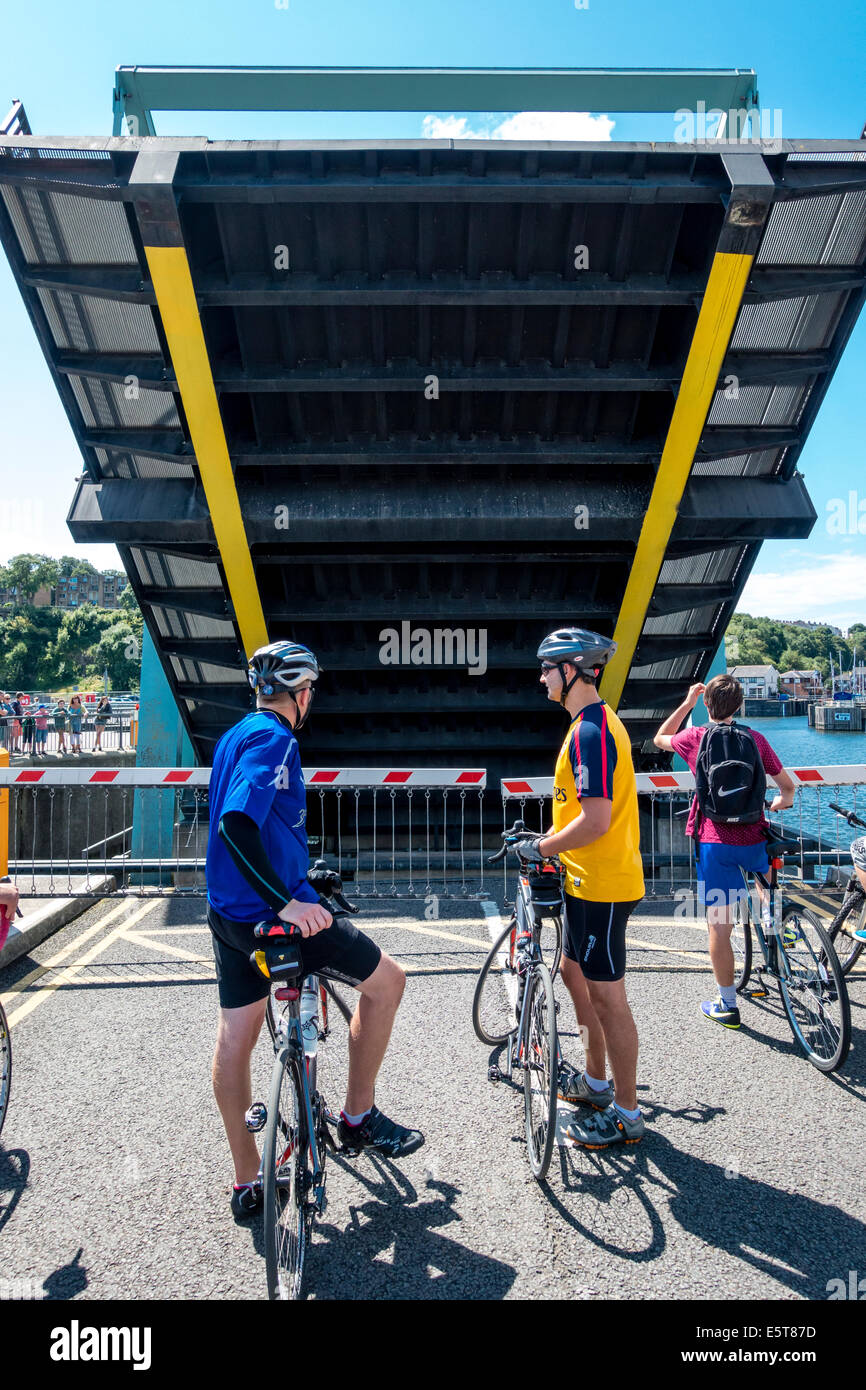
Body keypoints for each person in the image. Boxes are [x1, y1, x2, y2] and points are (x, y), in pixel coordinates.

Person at [205, 640, 423, 1220]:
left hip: (228, 916)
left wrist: (300, 869)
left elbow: (258, 823)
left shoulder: (234, 735)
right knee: (388, 983)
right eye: (311, 693)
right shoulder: (275, 739)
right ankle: (357, 1118)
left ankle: (248, 1179)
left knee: (235, 1039)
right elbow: (235, 824)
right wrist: (286, 901)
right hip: (273, 918)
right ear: (301, 694)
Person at [507, 628, 646, 1150]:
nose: (541, 677)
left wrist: (540, 849)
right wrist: (548, 841)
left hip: (604, 885)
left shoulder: (592, 732)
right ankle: (594, 1083)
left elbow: (595, 821)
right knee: (571, 972)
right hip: (587, 880)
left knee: (609, 997)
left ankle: (627, 1114)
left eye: (547, 668)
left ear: (571, 671)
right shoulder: (587, 726)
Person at [653, 674, 795, 1028]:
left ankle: (727, 1004)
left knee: (719, 928)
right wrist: (778, 804)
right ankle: (774, 922)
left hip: (715, 842)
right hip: (753, 837)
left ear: (707, 704)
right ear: (740, 705)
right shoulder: (755, 739)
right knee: (767, 876)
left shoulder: (695, 738)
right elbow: (787, 788)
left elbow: (659, 739)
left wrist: (686, 704)